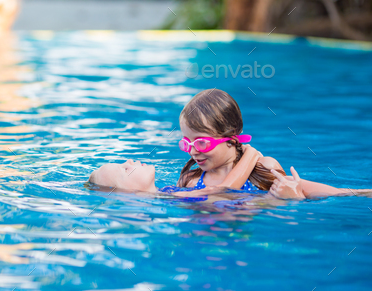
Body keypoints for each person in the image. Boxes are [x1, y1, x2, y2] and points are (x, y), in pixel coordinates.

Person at [88, 89, 371, 200]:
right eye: (187, 142)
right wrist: (248, 156)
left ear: (232, 138)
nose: (194, 150)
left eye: (201, 141)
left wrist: (357, 192)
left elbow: (307, 188)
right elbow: (219, 194)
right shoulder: (189, 180)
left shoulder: (264, 167)